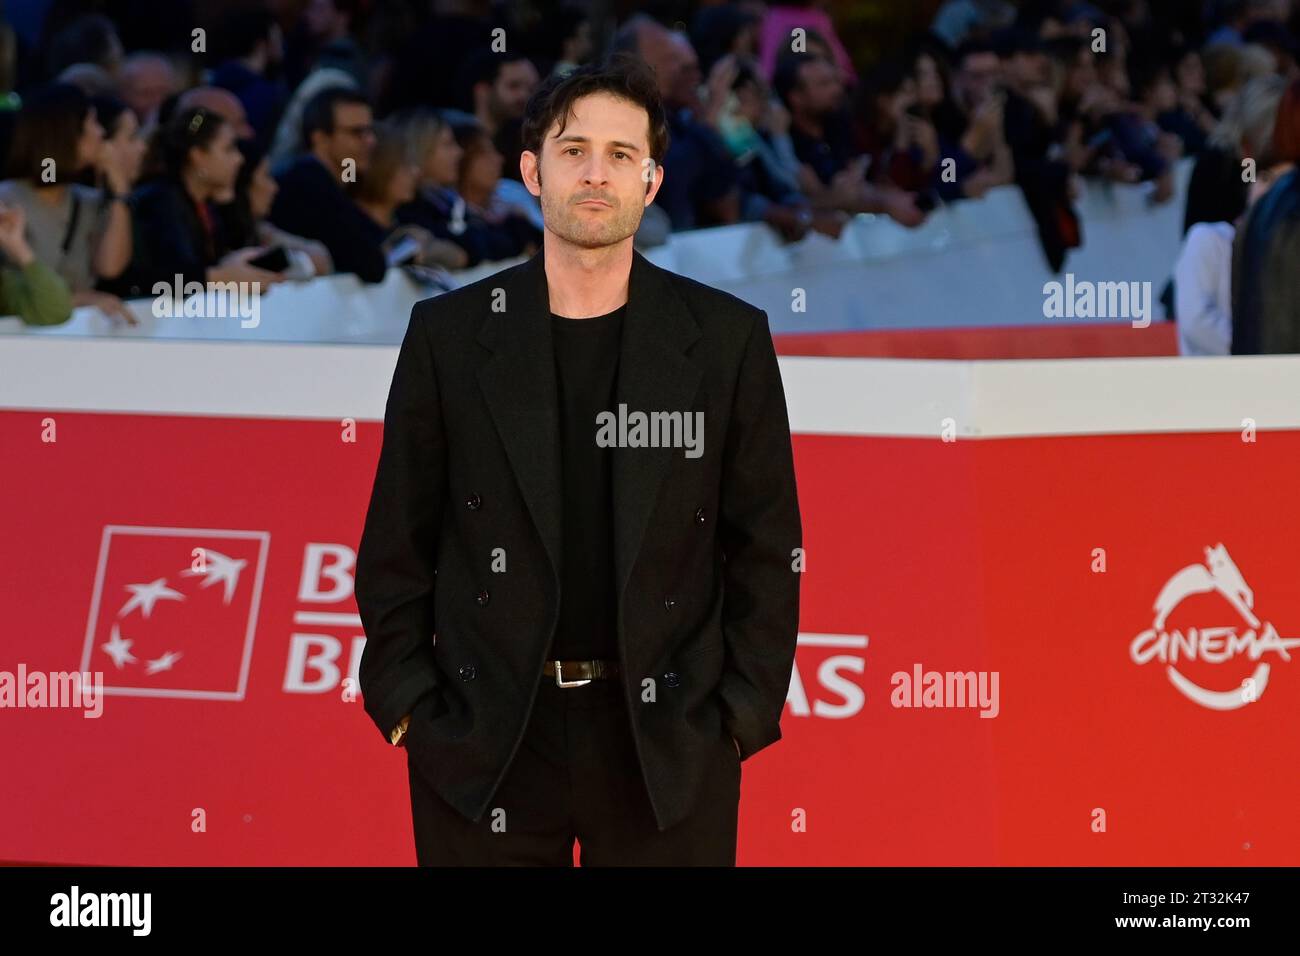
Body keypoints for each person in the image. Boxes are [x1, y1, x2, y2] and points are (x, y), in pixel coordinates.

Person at [355, 53, 802, 866]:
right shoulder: (450, 338)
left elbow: (767, 544)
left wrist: (739, 715)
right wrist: (409, 706)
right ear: (532, 171)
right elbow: (396, 543)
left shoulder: (726, 340)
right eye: (573, 151)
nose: (596, 174)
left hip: (666, 739)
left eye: (621, 155)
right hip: (485, 738)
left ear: (652, 181)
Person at [0, 82, 135, 322]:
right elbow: (11, 293)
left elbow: (109, 267)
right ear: (66, 132)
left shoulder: (89, 201)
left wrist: (119, 193)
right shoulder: (6, 201)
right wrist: (77, 299)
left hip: (77, 341)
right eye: (92, 123)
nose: (101, 133)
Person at [118, 106, 285, 296]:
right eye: (228, 149)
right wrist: (221, 277)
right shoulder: (160, 201)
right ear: (198, 156)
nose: (239, 159)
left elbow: (238, 252)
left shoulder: (207, 204)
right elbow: (167, 274)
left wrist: (227, 200)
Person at [268, 86, 387, 282]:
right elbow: (370, 264)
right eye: (357, 133)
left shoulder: (335, 183)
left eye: (370, 131)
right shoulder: (306, 187)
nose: (370, 141)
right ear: (321, 139)